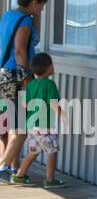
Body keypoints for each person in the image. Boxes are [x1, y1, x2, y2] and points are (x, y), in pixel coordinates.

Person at [0, 0, 49, 184]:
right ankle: (3, 167)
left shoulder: (9, 15)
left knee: (6, 126)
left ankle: (12, 167)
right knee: (20, 127)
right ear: (34, 2)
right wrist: (27, 77)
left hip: (3, 74)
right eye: (42, 5)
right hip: (16, 76)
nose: (43, 9)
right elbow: (20, 51)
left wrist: (33, 14)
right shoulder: (25, 22)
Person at [11, 53, 64, 188]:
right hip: (44, 125)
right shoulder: (49, 84)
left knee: (34, 151)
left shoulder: (31, 84)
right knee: (52, 150)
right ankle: (50, 179)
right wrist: (62, 114)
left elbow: (24, 105)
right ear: (50, 67)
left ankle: (19, 176)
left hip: (32, 125)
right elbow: (53, 103)